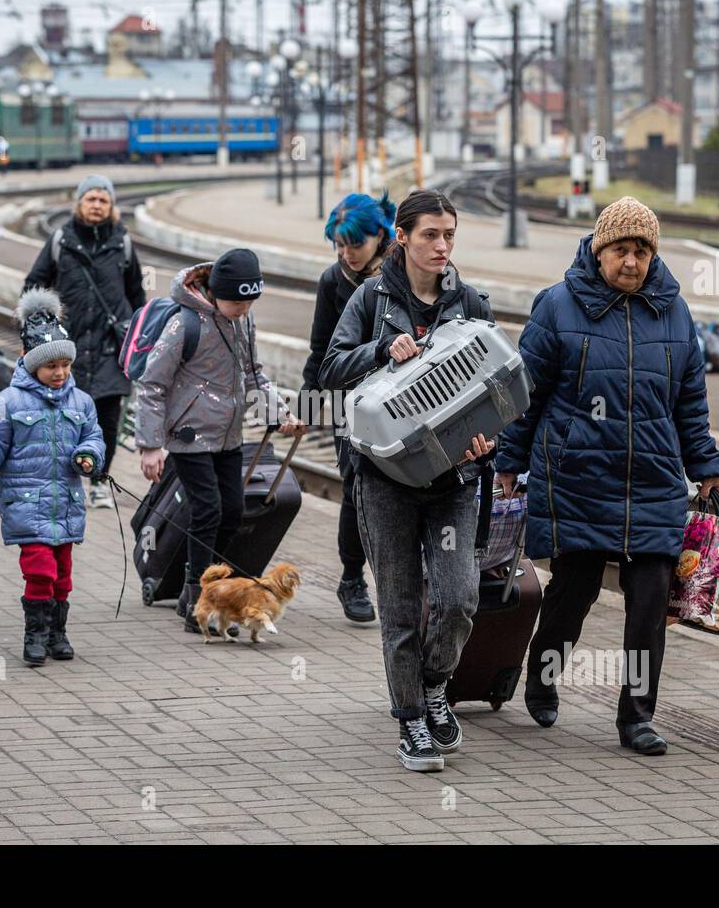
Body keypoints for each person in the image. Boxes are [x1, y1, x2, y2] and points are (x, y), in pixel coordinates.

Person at [494, 196, 719, 756]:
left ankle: (637, 717)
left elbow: (690, 399)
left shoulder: (674, 312)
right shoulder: (557, 307)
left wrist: (706, 464)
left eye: (642, 250)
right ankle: (542, 676)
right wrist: (509, 460)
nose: (631, 261)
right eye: (621, 249)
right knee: (571, 595)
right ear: (599, 252)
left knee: (649, 605)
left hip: (652, 481)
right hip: (579, 476)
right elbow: (526, 396)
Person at [319, 189, 496, 774]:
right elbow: (329, 368)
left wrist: (489, 441)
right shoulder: (372, 297)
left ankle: (435, 683)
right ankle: (412, 720)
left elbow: (493, 384)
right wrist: (379, 352)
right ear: (403, 237)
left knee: (457, 598)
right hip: (384, 477)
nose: (442, 246)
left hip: (453, 476)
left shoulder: (470, 303)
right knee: (398, 609)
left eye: (449, 235)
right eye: (430, 235)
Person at [134, 248, 305, 635]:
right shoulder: (184, 324)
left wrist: (280, 415)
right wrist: (149, 445)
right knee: (207, 510)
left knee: (231, 510)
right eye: (236, 300)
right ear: (214, 292)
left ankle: (214, 588)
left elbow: (253, 373)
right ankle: (198, 599)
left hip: (228, 435)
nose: (243, 308)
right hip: (188, 436)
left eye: (250, 301)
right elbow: (151, 384)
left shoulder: (242, 321)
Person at [0, 288, 106, 667]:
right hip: (27, 504)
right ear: (29, 363)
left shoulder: (82, 402)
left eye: (65, 365)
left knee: (63, 574)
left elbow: (93, 437)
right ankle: (35, 633)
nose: (59, 373)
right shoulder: (8, 401)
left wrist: (89, 457)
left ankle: (58, 632)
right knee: (39, 570)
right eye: (51, 367)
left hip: (67, 503)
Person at [23, 174, 145, 510]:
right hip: (68, 348)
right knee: (63, 417)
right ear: (79, 203)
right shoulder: (61, 240)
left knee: (106, 417)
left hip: (109, 347)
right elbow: (34, 285)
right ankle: (65, 480)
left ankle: (100, 481)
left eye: (103, 200)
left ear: (111, 207)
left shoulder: (123, 244)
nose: (96, 205)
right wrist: (37, 332)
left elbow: (137, 295)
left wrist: (139, 338)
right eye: (90, 199)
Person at [301, 191, 395, 624]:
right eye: (338, 245)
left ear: (380, 235)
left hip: (403, 401)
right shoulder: (332, 281)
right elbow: (321, 350)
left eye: (353, 245)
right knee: (357, 489)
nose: (345, 254)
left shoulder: (405, 274)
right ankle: (352, 577)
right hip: (350, 402)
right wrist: (309, 402)